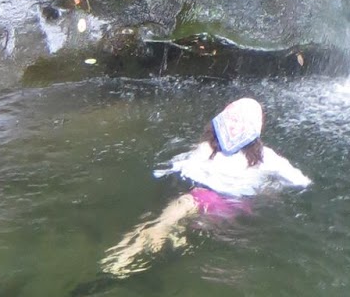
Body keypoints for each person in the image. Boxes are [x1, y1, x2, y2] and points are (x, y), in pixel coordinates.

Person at [100, 97, 310, 278]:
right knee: (174, 224)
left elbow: (185, 169)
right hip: (234, 209)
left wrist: (163, 171)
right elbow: (300, 182)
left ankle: (118, 261)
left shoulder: (206, 148)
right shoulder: (268, 158)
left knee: (161, 219)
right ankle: (157, 244)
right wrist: (271, 189)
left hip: (200, 199)